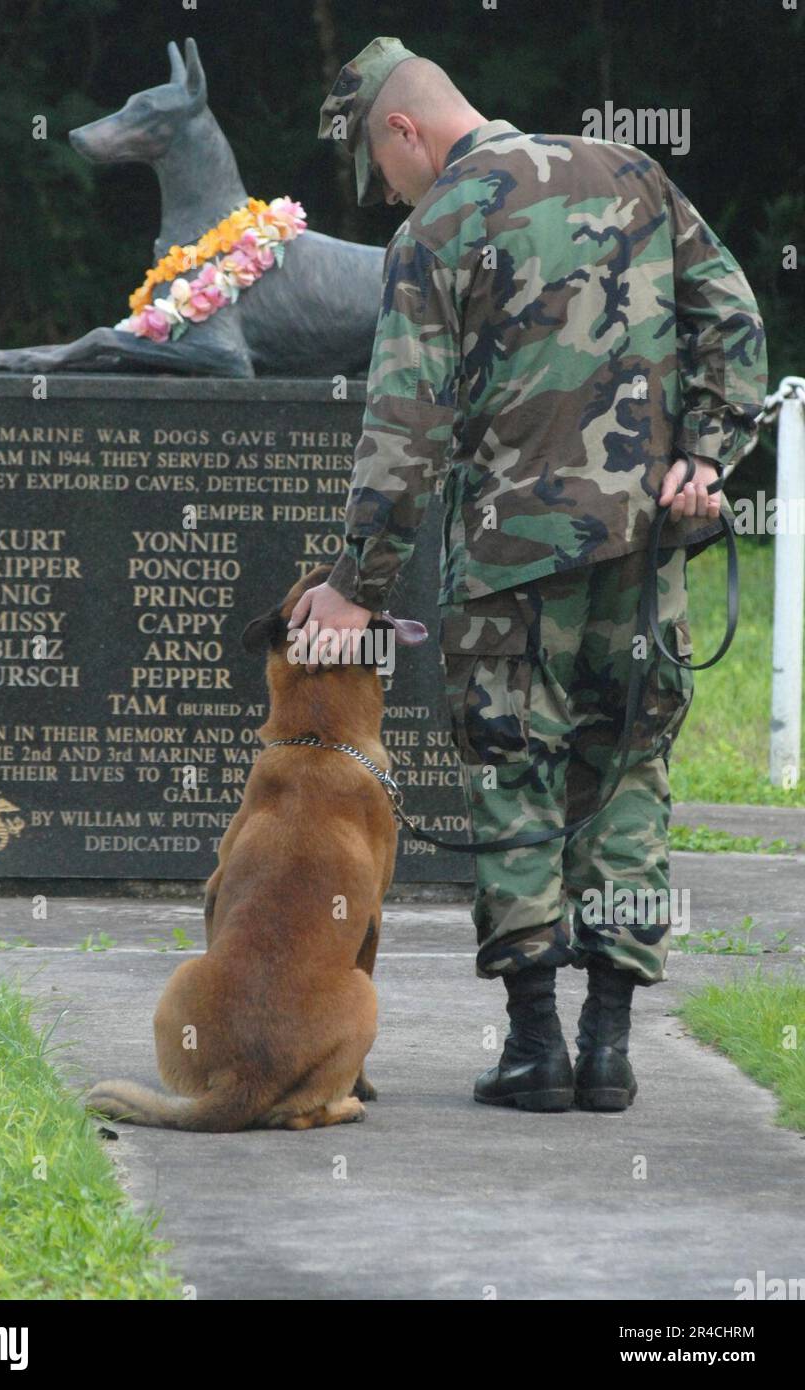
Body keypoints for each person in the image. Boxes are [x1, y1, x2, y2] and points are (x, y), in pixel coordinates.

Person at [290, 36, 767, 1112]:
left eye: (382, 172)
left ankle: (532, 1051)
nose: (388, 196)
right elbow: (732, 321)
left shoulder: (438, 228)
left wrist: (355, 582)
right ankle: (610, 1048)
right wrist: (704, 455)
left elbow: (403, 425)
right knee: (627, 774)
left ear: (402, 131)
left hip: (509, 566)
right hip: (644, 555)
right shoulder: (630, 173)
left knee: (516, 780)